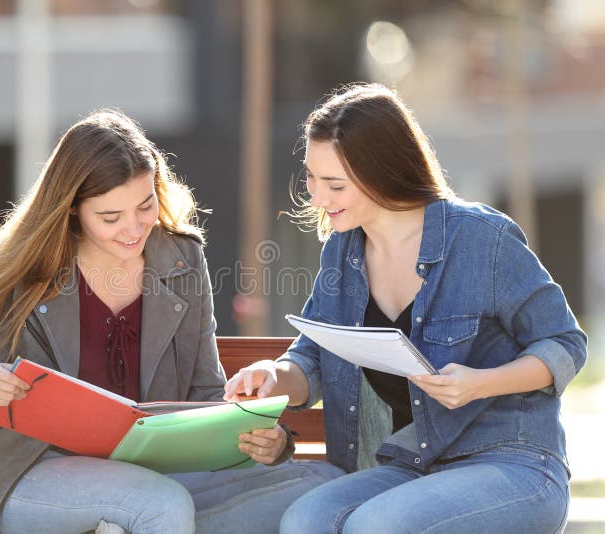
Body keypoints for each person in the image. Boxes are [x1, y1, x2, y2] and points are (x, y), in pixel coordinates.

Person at [0, 109, 340, 534]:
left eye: (145, 206)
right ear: (71, 210)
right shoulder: (21, 269)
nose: (133, 229)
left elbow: (203, 392)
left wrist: (264, 440)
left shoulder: (182, 261)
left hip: (154, 467)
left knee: (319, 487)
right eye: (110, 218)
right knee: (160, 506)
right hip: (36, 471)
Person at [224, 83, 587, 533]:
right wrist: (272, 378)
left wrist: (481, 384)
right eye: (311, 179)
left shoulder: (480, 239)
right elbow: (312, 357)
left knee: (378, 526)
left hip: (512, 460)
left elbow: (565, 343)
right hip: (413, 460)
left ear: (383, 172)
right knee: (305, 520)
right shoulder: (343, 251)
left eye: (334, 185)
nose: (317, 198)